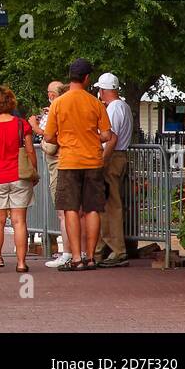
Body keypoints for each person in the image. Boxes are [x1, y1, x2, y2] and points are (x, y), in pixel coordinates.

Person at [43, 59, 114, 271]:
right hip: (92, 160)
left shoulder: (58, 103)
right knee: (93, 209)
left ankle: (76, 258)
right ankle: (91, 257)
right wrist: (91, 138)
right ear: (86, 78)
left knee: (71, 209)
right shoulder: (95, 103)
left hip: (68, 162)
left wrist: (63, 139)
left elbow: (48, 136)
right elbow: (107, 134)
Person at [0, 85, 36, 274]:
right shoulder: (21, 124)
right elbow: (29, 150)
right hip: (19, 175)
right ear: (11, 102)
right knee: (19, 221)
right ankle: (21, 263)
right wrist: (33, 171)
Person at [29, 80, 70, 267]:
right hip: (75, 163)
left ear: (54, 94)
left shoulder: (58, 112)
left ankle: (69, 253)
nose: (48, 95)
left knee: (64, 213)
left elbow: (51, 146)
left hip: (59, 166)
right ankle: (82, 252)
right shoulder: (70, 109)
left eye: (49, 92)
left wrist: (37, 130)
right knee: (79, 213)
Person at [93, 72, 132, 267]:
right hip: (118, 156)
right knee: (109, 204)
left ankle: (117, 249)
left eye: (100, 89)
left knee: (111, 205)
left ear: (103, 90)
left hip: (112, 157)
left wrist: (102, 161)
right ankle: (104, 247)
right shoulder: (122, 106)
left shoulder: (114, 108)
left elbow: (111, 138)